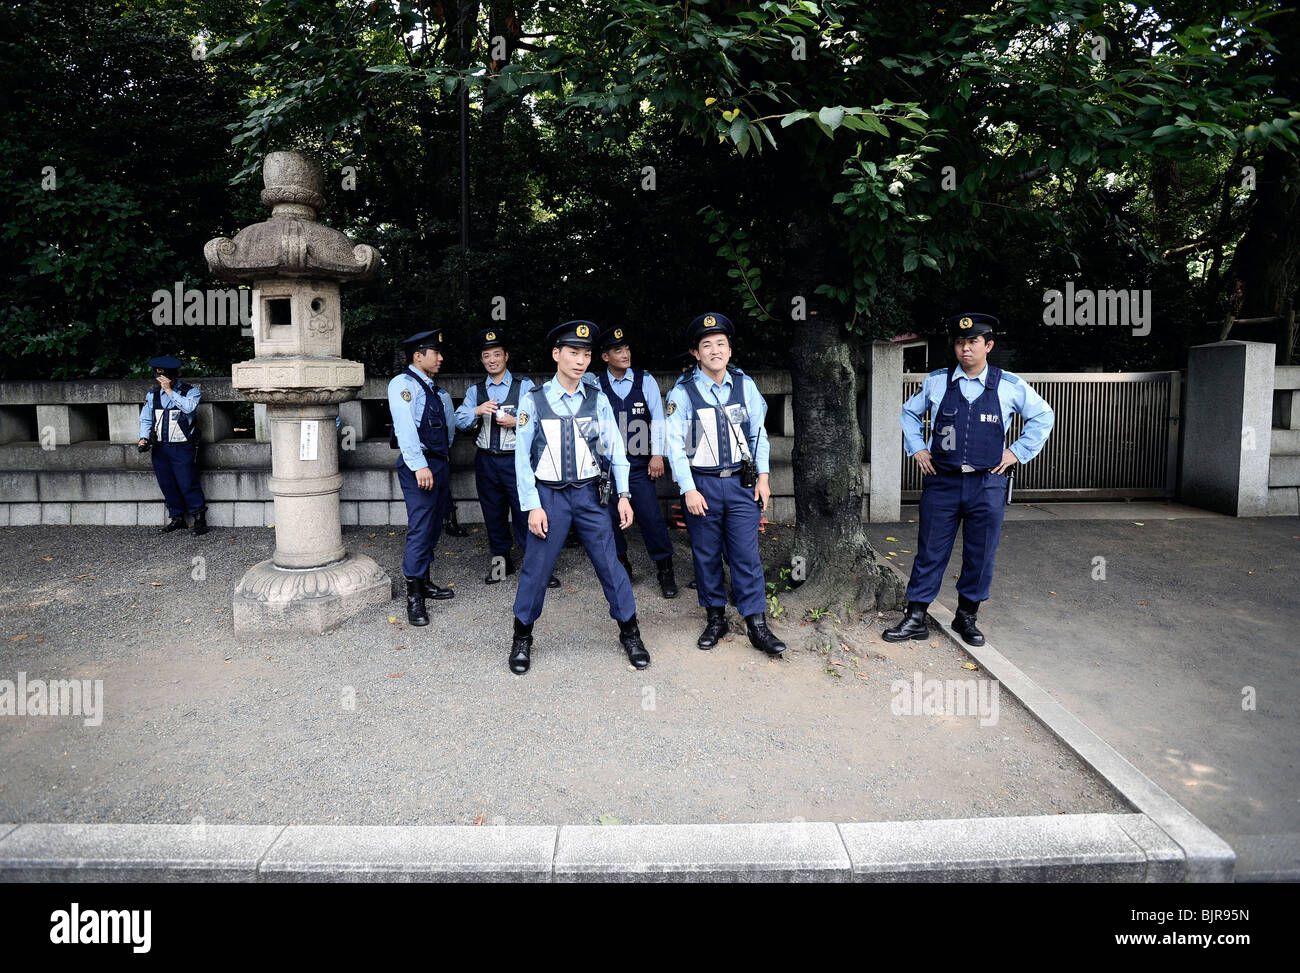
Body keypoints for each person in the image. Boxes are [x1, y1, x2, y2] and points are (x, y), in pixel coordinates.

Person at [884, 312, 1055, 646]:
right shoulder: (937, 381)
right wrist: (917, 448)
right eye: (960, 342)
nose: (965, 349)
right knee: (930, 550)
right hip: (942, 482)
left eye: (973, 342)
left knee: (981, 553)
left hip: (987, 484)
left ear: (988, 345)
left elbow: (1042, 415)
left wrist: (1016, 453)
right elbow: (909, 412)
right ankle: (916, 616)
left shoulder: (1008, 385)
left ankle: (966, 618)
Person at [508, 320, 650, 675]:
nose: (580, 360)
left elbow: (616, 450)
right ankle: (522, 636)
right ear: (557, 354)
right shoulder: (534, 401)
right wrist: (532, 506)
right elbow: (521, 459)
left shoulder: (597, 399)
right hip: (549, 497)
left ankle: (629, 632)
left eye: (586, 354)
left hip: (590, 496)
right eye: (573, 352)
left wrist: (624, 495)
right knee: (537, 568)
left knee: (609, 563)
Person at [664, 313, 785, 656]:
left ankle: (756, 625)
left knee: (746, 555)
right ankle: (715, 618)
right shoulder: (683, 393)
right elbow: (674, 444)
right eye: (707, 345)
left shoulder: (745, 386)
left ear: (729, 350)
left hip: (742, 485)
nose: (715, 350)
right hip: (703, 485)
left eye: (721, 343)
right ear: (696, 353)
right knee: (705, 555)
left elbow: (759, 435)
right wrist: (688, 489)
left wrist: (763, 478)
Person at [453, 328, 559, 590]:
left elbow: (542, 419)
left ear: (506, 356)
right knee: (493, 515)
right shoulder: (475, 391)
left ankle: (539, 569)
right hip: (487, 461)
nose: (492, 360)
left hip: (516, 460)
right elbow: (458, 421)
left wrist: (516, 423)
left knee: (527, 513)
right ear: (482, 360)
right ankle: (502, 565)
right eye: (486, 356)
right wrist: (477, 411)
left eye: (496, 354)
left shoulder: (523, 386)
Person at [597, 326, 678, 598]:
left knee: (651, 517)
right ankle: (622, 566)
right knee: (610, 520)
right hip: (606, 467)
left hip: (639, 464)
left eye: (627, 348)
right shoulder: (595, 384)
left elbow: (659, 419)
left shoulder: (645, 381)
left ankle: (665, 570)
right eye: (618, 350)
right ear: (605, 356)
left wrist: (657, 454)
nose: (625, 354)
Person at [388, 330, 457, 627]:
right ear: (418, 356)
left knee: (433, 525)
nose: (440, 358)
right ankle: (413, 596)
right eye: (435, 353)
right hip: (422, 467)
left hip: (437, 464)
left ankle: (424, 581)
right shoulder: (403, 385)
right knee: (420, 527)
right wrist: (420, 465)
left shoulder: (432, 388)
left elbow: (448, 429)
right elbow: (405, 429)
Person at [137, 355, 207, 535]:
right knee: (167, 483)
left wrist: (169, 391)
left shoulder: (190, 392)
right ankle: (177, 518)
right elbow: (146, 418)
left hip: (182, 447)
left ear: (173, 377)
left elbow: (189, 408)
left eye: (165, 378)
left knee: (187, 482)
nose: (161, 381)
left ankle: (199, 519)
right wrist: (143, 437)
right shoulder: (152, 395)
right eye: (159, 377)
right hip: (160, 447)